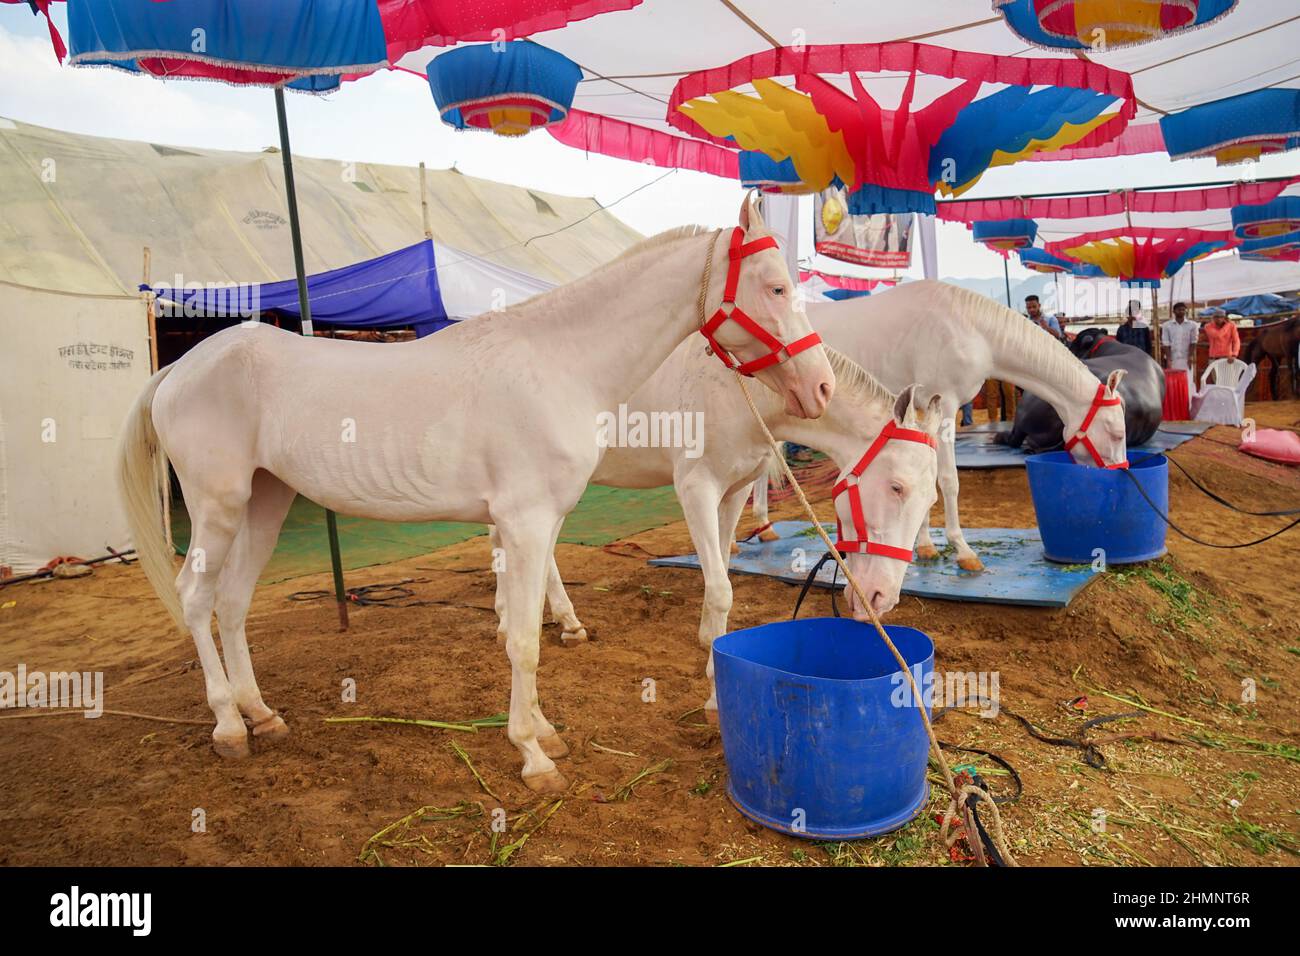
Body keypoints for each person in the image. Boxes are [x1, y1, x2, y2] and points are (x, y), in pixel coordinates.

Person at [1161, 301, 1200, 375]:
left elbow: (1193, 341)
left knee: (1187, 380)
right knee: (1174, 380)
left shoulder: (1192, 325)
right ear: (1174, 311)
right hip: (1173, 358)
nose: (1181, 311)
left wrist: (1190, 357)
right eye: (1179, 310)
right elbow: (1166, 343)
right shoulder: (1166, 325)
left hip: (1186, 358)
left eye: (1183, 310)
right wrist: (1169, 359)